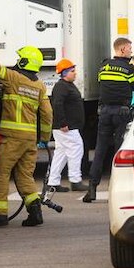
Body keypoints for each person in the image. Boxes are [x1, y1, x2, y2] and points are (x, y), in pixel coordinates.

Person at [0, 30, 53, 227]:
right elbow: (48, 113)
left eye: (19, 59)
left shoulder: (13, 77)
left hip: (13, 138)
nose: (17, 61)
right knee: (25, 175)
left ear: (24, 62)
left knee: (1, 173)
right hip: (30, 139)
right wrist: (44, 137)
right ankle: (35, 213)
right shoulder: (39, 86)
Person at [84, 37, 134, 203]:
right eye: (130, 48)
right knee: (118, 151)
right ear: (122, 49)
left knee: (100, 150)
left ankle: (92, 189)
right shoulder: (128, 69)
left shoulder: (104, 66)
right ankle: (115, 189)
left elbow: (101, 83)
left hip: (104, 113)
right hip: (121, 113)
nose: (131, 51)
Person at [47, 59, 86, 193]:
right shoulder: (62, 86)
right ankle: (75, 180)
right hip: (66, 127)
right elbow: (57, 104)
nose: (75, 73)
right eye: (72, 71)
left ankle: (53, 182)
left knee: (61, 152)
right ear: (64, 73)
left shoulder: (66, 85)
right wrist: (63, 122)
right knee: (76, 148)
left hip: (65, 126)